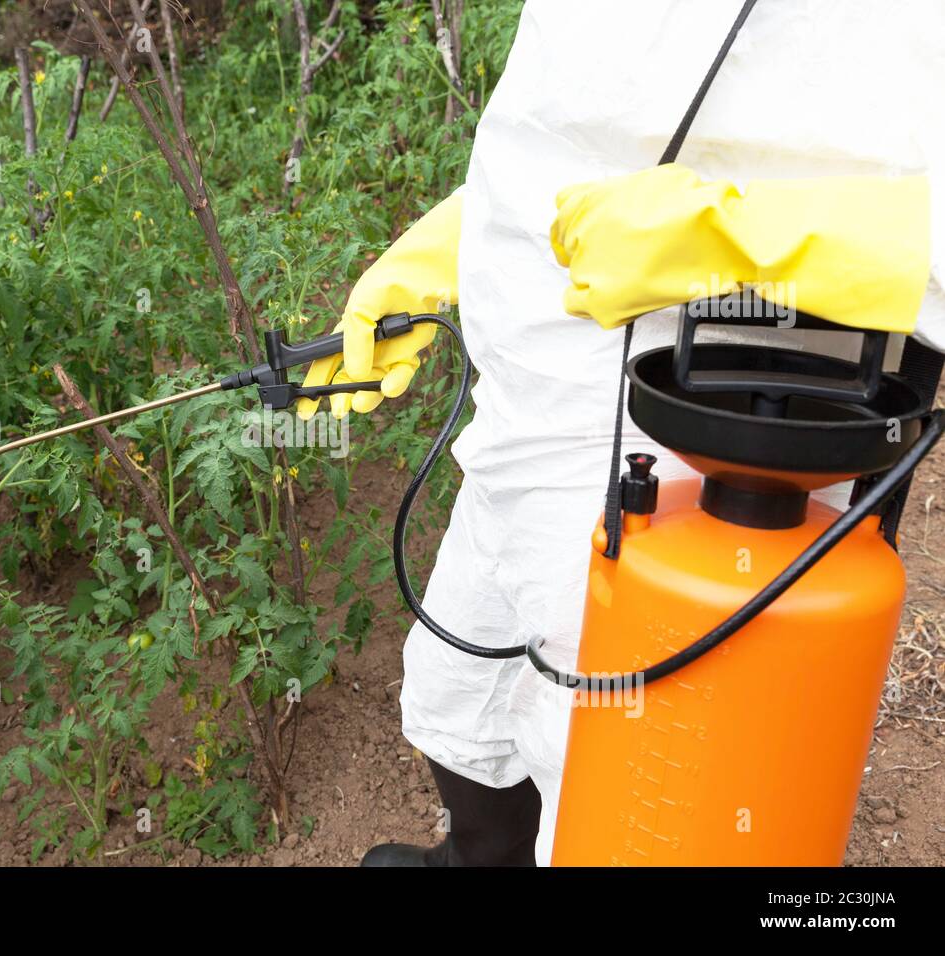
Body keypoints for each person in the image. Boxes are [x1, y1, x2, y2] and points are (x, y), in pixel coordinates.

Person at [297, 0, 945, 866]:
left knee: (631, 794)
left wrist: (748, 237)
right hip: (525, 400)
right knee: (464, 691)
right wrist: (472, 236)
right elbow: (599, 96)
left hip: (703, 417)